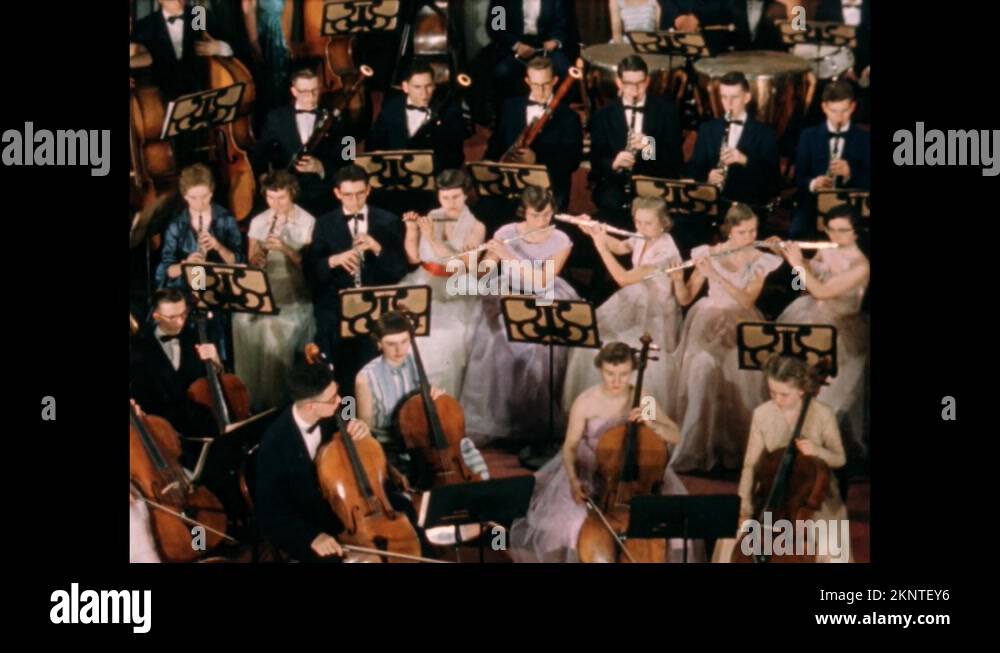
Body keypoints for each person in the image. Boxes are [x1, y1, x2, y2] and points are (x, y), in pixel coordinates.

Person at [508, 342, 695, 563]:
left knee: (666, 529)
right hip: (594, 476)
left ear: (633, 371)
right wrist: (574, 480)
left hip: (637, 479)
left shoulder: (644, 399)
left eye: (624, 374)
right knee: (575, 526)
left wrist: (652, 423)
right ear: (600, 369)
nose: (617, 381)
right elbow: (569, 447)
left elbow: (675, 435)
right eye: (610, 373)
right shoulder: (586, 402)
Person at [460, 186, 578, 446]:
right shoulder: (506, 232)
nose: (542, 221)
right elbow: (486, 269)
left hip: (544, 296)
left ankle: (532, 427)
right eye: (536, 215)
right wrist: (474, 261)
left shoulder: (560, 239)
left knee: (540, 350)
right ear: (524, 212)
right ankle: (503, 423)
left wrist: (508, 256)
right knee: (497, 344)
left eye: (547, 214)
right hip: (508, 293)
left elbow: (543, 280)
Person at [669, 204, 782, 472]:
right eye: (743, 232)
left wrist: (716, 274)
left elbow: (746, 300)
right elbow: (685, 297)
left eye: (754, 230)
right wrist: (676, 279)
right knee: (701, 372)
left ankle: (734, 451)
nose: (750, 236)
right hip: (706, 320)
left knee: (740, 383)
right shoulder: (707, 254)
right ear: (729, 231)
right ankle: (696, 448)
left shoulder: (760, 259)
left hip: (741, 320)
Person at [562, 197, 684, 416]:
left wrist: (600, 247)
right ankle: (597, 412)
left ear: (663, 223)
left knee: (640, 358)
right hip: (635, 299)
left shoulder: (665, 251)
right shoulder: (642, 236)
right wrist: (594, 231)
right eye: (638, 222)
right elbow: (619, 246)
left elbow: (623, 278)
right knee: (592, 339)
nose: (641, 228)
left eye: (648, 223)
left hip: (656, 311)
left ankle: (638, 416)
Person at [254, 360, 373, 562]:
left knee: (404, 512)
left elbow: (352, 422)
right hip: (307, 523)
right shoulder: (273, 446)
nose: (341, 400)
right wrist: (311, 537)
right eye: (333, 398)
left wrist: (361, 426)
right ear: (310, 406)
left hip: (343, 508)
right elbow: (269, 514)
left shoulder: (334, 412)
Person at [775, 205, 869, 460]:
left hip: (841, 328)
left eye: (843, 231)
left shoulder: (861, 265)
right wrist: (790, 258)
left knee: (826, 400)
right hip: (810, 314)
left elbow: (822, 292)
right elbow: (804, 286)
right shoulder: (825, 250)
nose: (836, 236)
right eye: (831, 230)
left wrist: (797, 263)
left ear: (856, 232)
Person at [736, 354, 850, 563]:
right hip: (771, 494)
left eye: (784, 394)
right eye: (772, 392)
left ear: (801, 390)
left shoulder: (823, 414)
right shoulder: (762, 414)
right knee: (742, 538)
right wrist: (743, 505)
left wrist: (817, 451)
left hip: (814, 496)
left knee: (825, 542)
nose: (776, 399)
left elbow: (839, 458)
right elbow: (750, 465)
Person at [355, 311, 490, 487]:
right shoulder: (365, 377)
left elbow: (422, 401)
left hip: (421, 437)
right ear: (379, 344)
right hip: (392, 445)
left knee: (465, 450)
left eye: (404, 342)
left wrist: (433, 395)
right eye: (391, 344)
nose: (399, 350)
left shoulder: (414, 361)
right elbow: (367, 428)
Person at [304, 165, 407, 395]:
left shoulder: (388, 220)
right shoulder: (324, 223)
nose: (355, 200)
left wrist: (377, 247)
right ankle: (343, 409)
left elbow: (399, 269)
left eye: (360, 193)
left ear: (369, 190)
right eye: (348, 195)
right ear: (337, 193)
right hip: (336, 303)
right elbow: (312, 271)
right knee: (337, 356)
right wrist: (334, 260)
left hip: (376, 302)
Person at [232, 171, 317, 412]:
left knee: (273, 331)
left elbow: (309, 266)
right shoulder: (260, 221)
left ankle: (275, 403)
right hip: (265, 293)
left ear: (292, 193)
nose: (276, 205)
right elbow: (251, 264)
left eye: (281, 198)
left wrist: (285, 248)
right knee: (242, 321)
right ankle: (249, 400)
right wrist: (259, 255)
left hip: (294, 294)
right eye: (270, 198)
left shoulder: (307, 221)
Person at [399, 169, 486, 397]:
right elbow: (414, 258)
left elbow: (461, 264)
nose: (451, 203)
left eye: (456, 197)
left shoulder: (477, 227)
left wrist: (431, 237)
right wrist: (411, 231)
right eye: (445, 197)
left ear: (466, 195)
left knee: (446, 341)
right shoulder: (432, 216)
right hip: (424, 282)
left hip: (455, 287)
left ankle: (443, 402)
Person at [129, 288, 223, 463]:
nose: (181, 321)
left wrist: (216, 363)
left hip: (200, 431)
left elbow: (210, 384)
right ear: (156, 316)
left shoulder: (197, 337)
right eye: (173, 317)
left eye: (184, 314)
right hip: (162, 436)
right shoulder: (138, 347)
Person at [588, 55, 683, 226]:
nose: (635, 90)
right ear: (619, 82)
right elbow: (596, 162)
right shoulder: (602, 115)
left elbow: (675, 162)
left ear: (647, 81)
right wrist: (614, 163)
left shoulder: (667, 112)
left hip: (653, 184)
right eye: (629, 84)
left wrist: (649, 147)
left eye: (640, 83)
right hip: (616, 185)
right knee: (609, 206)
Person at [485, 56, 583, 212]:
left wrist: (536, 158)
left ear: (555, 81)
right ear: (527, 81)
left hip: (549, 188)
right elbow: (496, 142)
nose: (541, 92)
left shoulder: (569, 116)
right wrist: (488, 164)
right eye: (535, 85)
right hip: (512, 183)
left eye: (546, 84)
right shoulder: (511, 107)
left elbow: (572, 161)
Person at [251, 68, 349, 217]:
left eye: (315, 91)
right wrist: (265, 178)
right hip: (286, 193)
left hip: (323, 194)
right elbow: (259, 153)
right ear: (294, 92)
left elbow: (349, 156)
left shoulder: (336, 118)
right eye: (304, 92)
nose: (311, 97)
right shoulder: (276, 118)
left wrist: (321, 167)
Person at [791, 80, 871, 238]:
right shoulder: (808, 136)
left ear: (853, 107)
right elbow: (798, 179)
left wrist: (850, 173)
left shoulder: (865, 139)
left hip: (852, 208)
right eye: (834, 111)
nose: (839, 117)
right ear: (824, 108)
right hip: (814, 206)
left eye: (845, 111)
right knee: (797, 233)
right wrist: (814, 183)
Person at [366, 60, 468, 174]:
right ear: (405, 87)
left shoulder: (448, 112)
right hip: (397, 177)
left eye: (428, 86)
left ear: (434, 85)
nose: (424, 94)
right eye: (417, 87)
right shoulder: (391, 108)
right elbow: (373, 146)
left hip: (434, 177)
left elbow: (456, 157)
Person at [155, 163, 243, 289]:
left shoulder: (226, 219)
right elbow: (163, 271)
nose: (200, 203)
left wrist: (219, 247)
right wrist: (186, 265)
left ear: (212, 192)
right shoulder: (176, 225)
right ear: (185, 196)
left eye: (205, 196)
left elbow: (239, 262)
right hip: (185, 289)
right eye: (193, 198)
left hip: (221, 286)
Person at [132, 0, 238, 100]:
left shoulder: (199, 16)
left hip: (201, 94)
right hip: (160, 102)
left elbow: (236, 45)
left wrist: (220, 47)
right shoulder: (144, 26)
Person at [486, 0, 574, 114]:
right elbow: (496, 28)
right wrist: (516, 45)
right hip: (514, 47)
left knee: (565, 70)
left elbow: (561, 24)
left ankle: (558, 116)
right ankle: (508, 117)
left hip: (544, 47)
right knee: (502, 72)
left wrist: (555, 40)